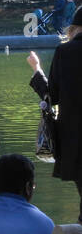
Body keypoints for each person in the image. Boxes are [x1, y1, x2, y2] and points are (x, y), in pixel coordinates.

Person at [28, 28, 82, 219]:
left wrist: (37, 69)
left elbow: (53, 96)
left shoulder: (65, 52)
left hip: (76, 145)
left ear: (74, 29)